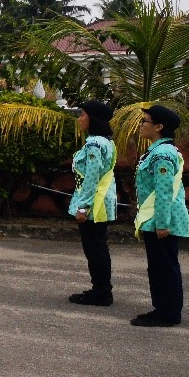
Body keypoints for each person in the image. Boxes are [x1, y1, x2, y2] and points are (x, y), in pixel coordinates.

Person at [131, 103, 189, 327]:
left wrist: (162, 224)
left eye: (145, 121)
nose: (141, 125)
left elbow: (164, 192)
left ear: (159, 126)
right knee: (158, 266)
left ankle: (168, 313)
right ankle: (161, 309)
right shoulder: (157, 150)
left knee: (164, 266)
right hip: (156, 218)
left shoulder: (163, 154)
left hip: (162, 220)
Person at [67, 101, 118, 307]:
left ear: (93, 118)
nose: (79, 118)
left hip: (94, 205)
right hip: (101, 201)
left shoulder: (94, 144)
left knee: (95, 248)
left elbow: (91, 177)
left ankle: (101, 292)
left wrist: (83, 207)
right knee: (98, 247)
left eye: (82, 114)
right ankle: (101, 289)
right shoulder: (105, 142)